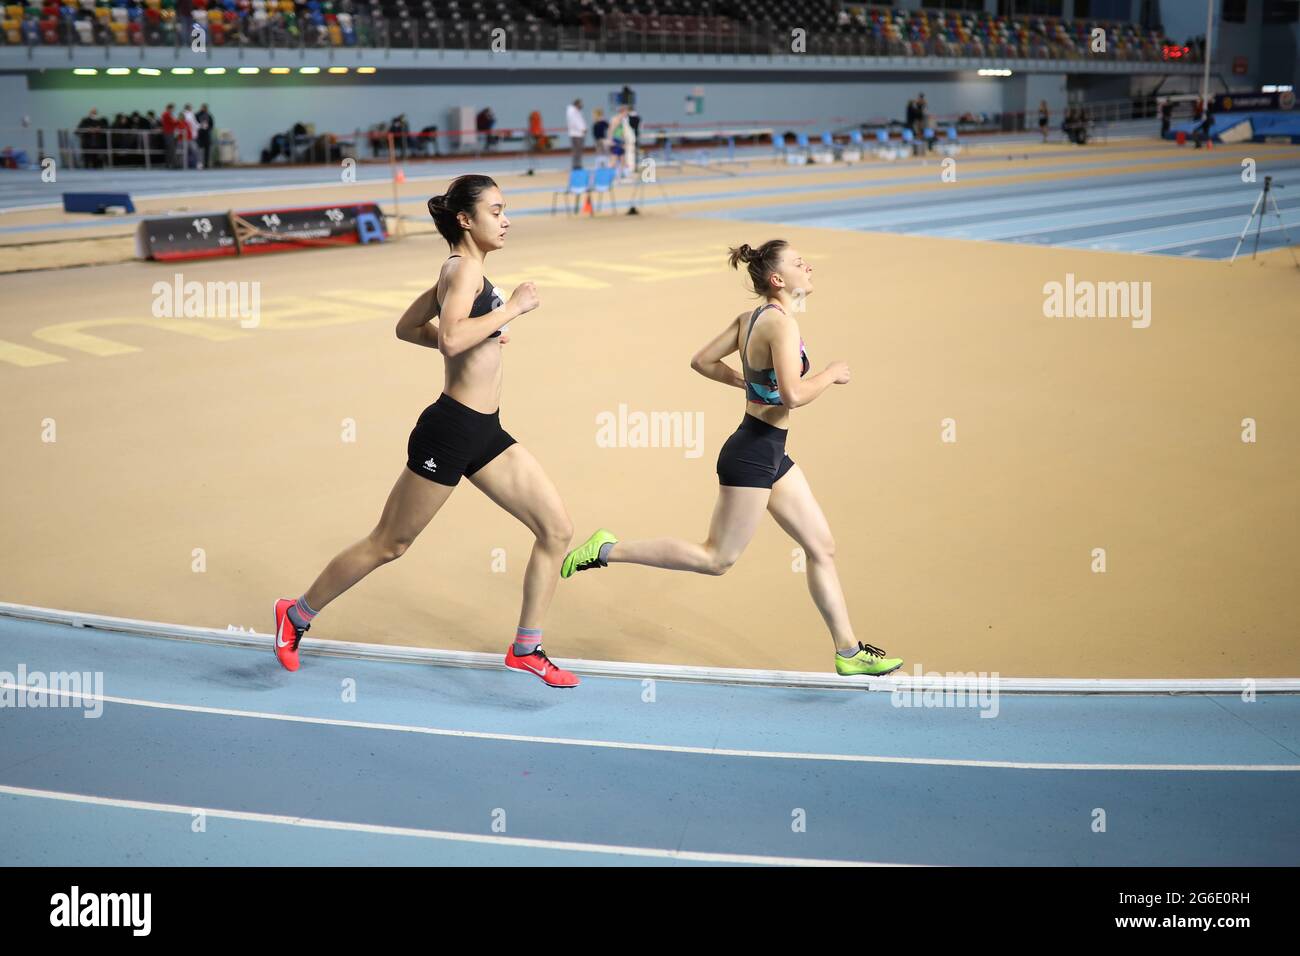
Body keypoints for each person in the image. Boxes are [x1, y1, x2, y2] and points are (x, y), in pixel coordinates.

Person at [273, 175, 581, 688]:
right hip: (449, 431)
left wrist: (481, 330)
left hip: (486, 431)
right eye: (496, 210)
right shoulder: (464, 272)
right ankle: (296, 613)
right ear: (466, 219)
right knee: (388, 544)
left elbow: (411, 327)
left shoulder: (459, 270)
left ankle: (527, 647)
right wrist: (511, 311)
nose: (506, 220)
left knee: (556, 529)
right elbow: (451, 340)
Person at [561, 240, 905, 679]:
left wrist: (751, 385)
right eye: (800, 263)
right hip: (752, 455)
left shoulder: (751, 319)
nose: (809, 266)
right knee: (715, 559)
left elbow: (701, 361)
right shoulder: (781, 325)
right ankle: (606, 549)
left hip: (768, 451)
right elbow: (795, 396)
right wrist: (831, 373)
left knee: (821, 546)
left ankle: (849, 650)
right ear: (778, 280)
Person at [566, 97, 586, 169]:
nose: (582, 105)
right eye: (581, 104)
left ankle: (577, 165)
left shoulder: (576, 111)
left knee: (578, 151)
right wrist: (582, 129)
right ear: (577, 104)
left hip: (578, 134)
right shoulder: (572, 112)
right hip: (577, 134)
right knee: (577, 151)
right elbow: (575, 122)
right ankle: (576, 165)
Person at [196, 103, 213, 169]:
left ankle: (206, 164)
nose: (204, 109)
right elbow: (195, 124)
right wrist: (200, 127)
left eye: (205, 108)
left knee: (207, 150)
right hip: (199, 135)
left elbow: (211, 124)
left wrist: (208, 128)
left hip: (206, 135)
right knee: (199, 150)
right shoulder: (197, 115)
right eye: (203, 108)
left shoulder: (209, 115)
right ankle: (199, 163)